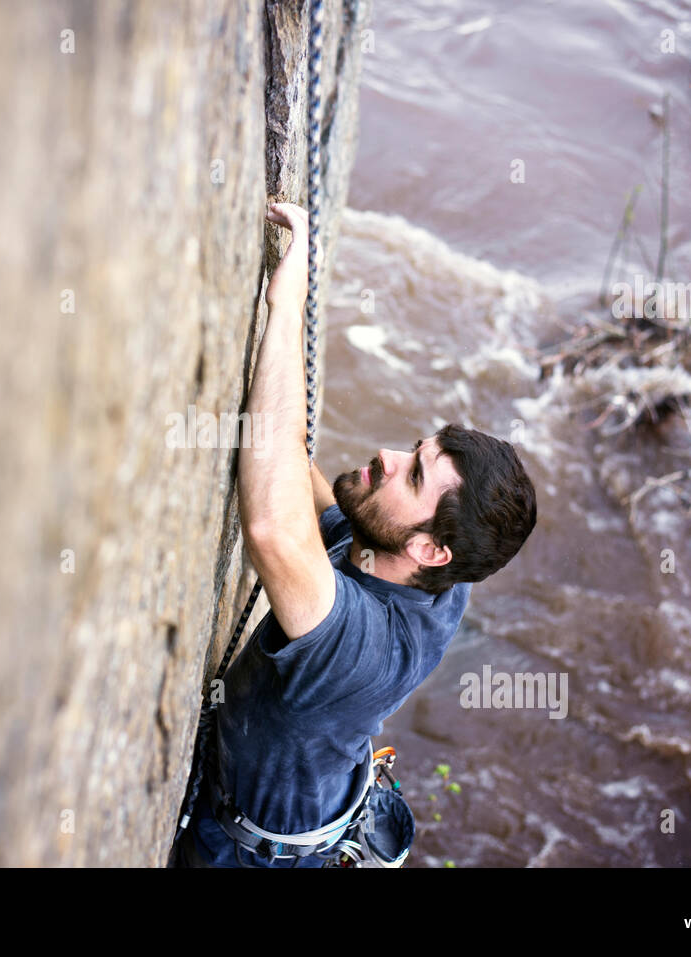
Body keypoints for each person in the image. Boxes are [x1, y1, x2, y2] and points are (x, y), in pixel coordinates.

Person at [169, 202, 536, 867]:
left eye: (414, 472)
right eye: (415, 447)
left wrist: (287, 302)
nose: (390, 457)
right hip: (298, 796)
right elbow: (298, 481)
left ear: (430, 550)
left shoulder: (365, 648)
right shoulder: (439, 572)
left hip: (248, 851)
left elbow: (275, 529)